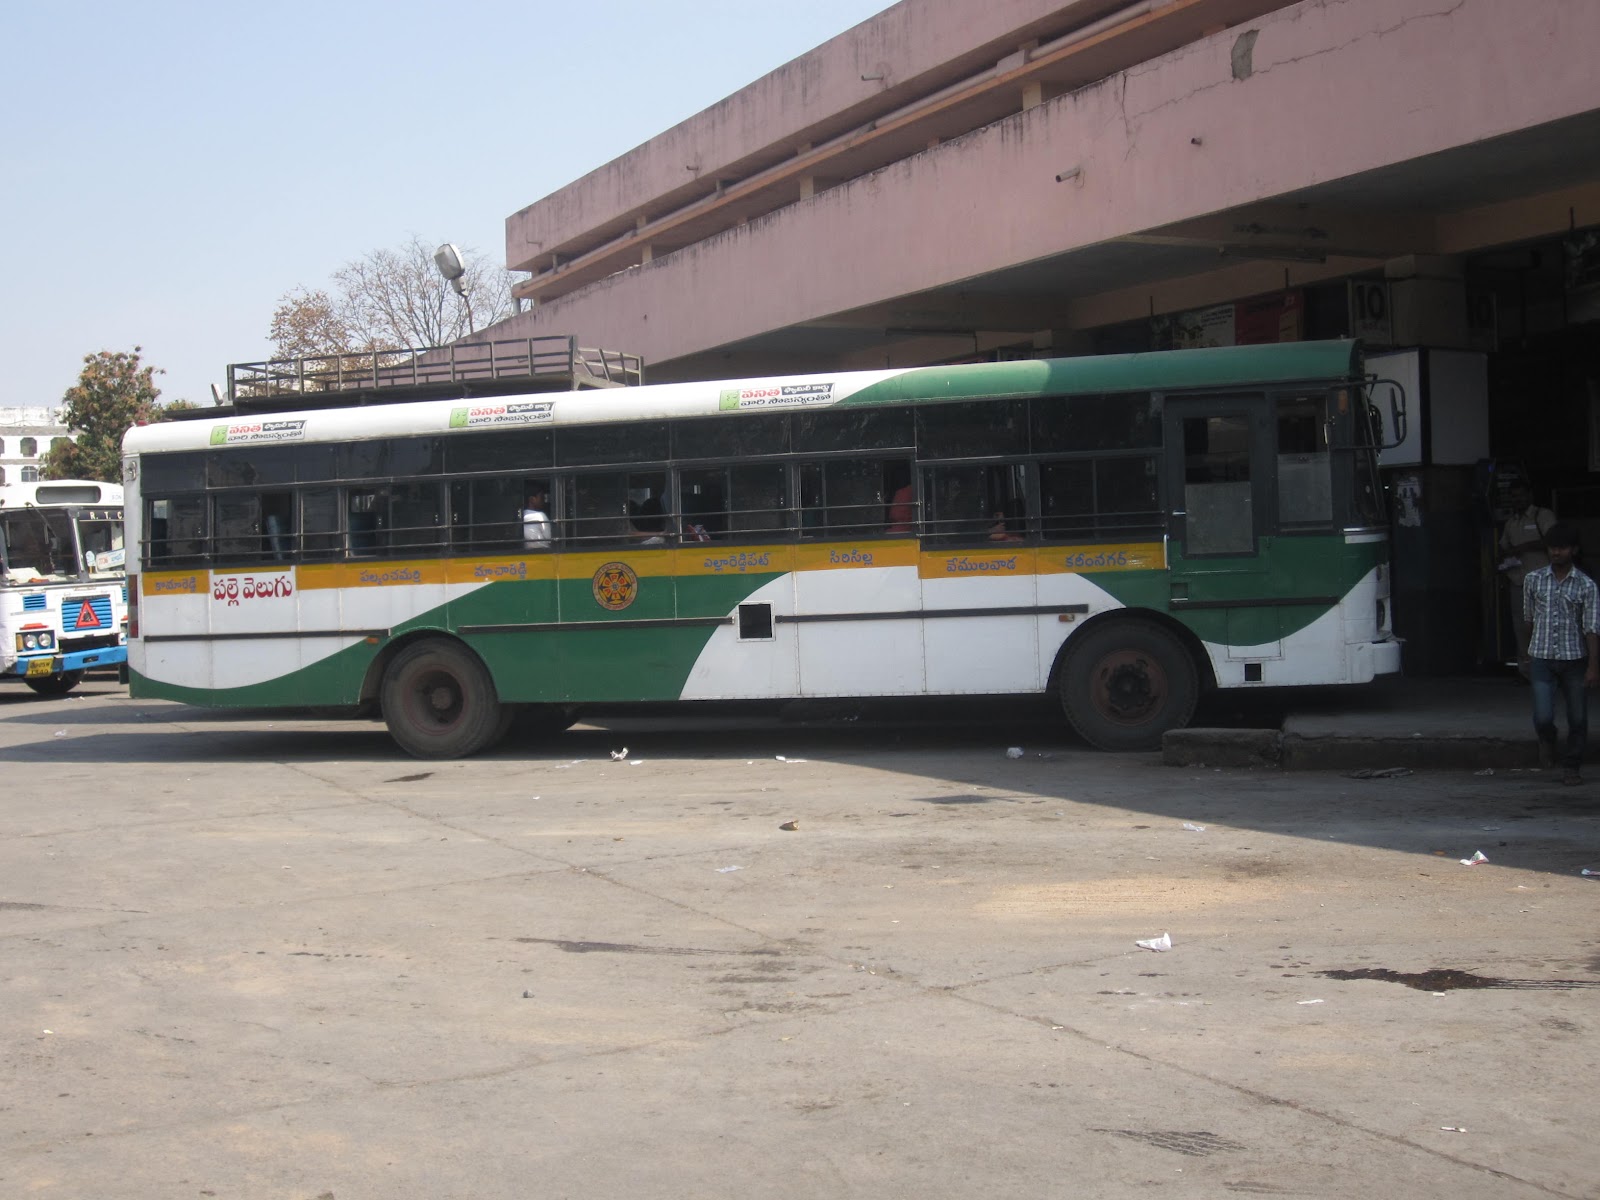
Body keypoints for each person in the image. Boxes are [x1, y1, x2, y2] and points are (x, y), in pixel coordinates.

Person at [1523, 522, 1599, 785]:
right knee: (1543, 715)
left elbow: (1591, 628)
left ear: (1573, 550)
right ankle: (1548, 739)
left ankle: (1572, 767)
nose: (1556, 552)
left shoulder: (1586, 586)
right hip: (1542, 657)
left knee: (1578, 716)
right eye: (1553, 548)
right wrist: (1527, 653)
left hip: (1574, 659)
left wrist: (1593, 666)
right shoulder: (1533, 580)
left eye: (1562, 548)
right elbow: (1529, 620)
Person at [1498, 485, 1555, 678]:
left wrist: (1522, 547)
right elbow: (1504, 547)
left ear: (1529, 495)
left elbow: (1553, 540)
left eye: (1521, 495)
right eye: (1514, 497)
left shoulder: (1543, 516)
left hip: (1543, 581)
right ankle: (1526, 672)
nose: (1518, 500)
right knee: (1522, 627)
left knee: (1545, 625)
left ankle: (1549, 670)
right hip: (1518, 581)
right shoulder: (1511, 522)